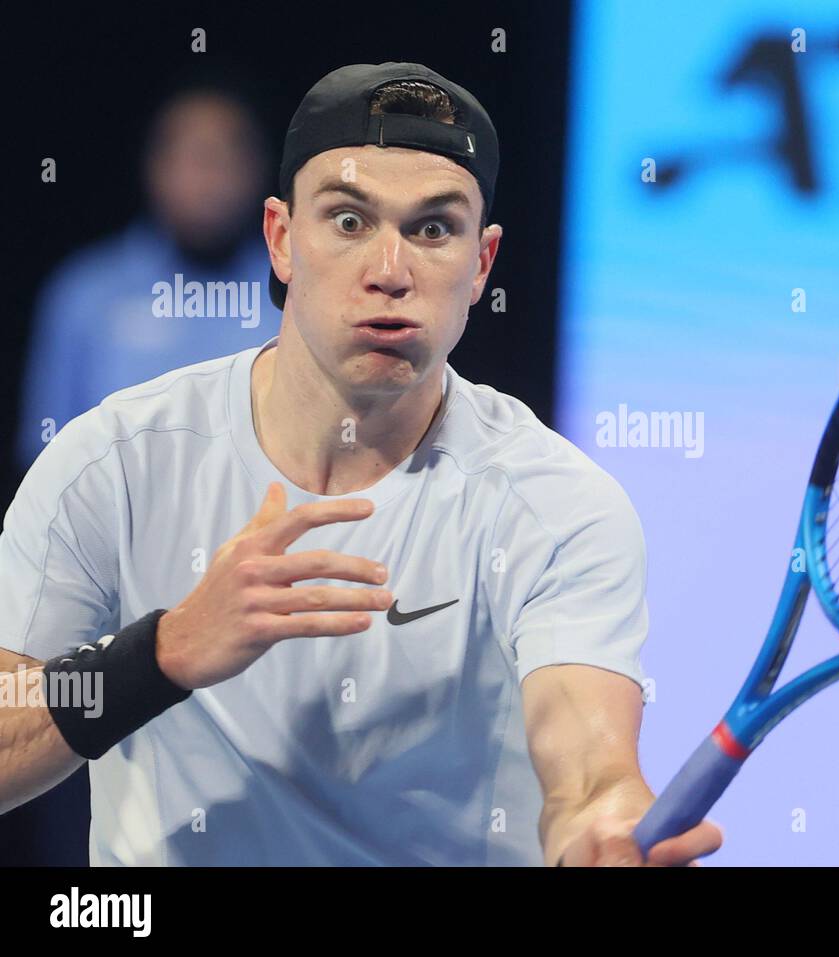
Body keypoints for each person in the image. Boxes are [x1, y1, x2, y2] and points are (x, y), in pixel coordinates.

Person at [0, 62, 722, 866]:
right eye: (349, 221)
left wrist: (604, 825)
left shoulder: (557, 504)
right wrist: (162, 652)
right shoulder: (110, 462)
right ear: (281, 239)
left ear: (482, 265)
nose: (390, 270)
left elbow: (589, 768)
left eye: (434, 229)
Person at [16, 81, 277, 468]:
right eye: (194, 156)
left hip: (270, 517)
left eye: (226, 155)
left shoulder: (299, 291)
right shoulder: (84, 291)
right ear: (154, 167)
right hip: (114, 523)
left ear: (258, 169)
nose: (209, 178)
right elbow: (44, 455)